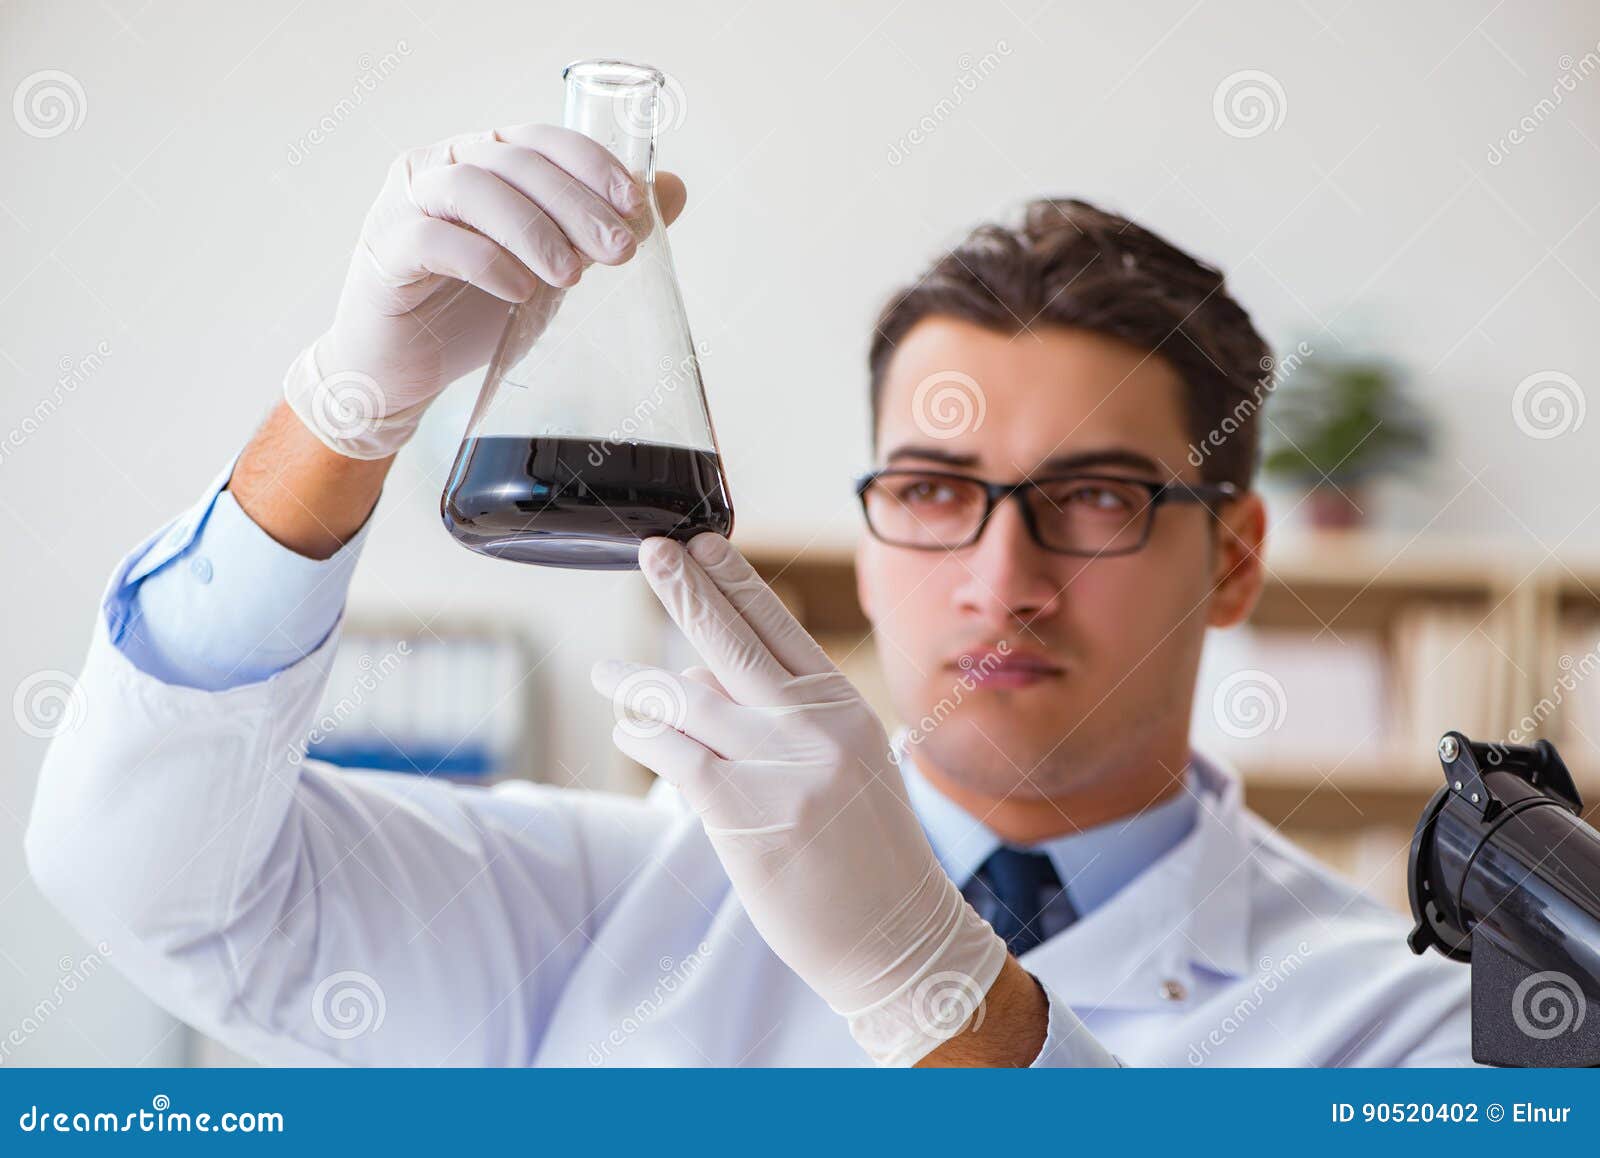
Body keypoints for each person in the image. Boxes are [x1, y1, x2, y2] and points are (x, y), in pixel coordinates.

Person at [26, 122, 1473, 1067]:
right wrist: (342, 411)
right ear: (869, 537)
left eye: (1095, 496)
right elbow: (149, 879)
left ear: (1232, 557)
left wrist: (936, 986)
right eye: (933, 489)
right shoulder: (607, 899)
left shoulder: (1403, 1024)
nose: (1000, 577)